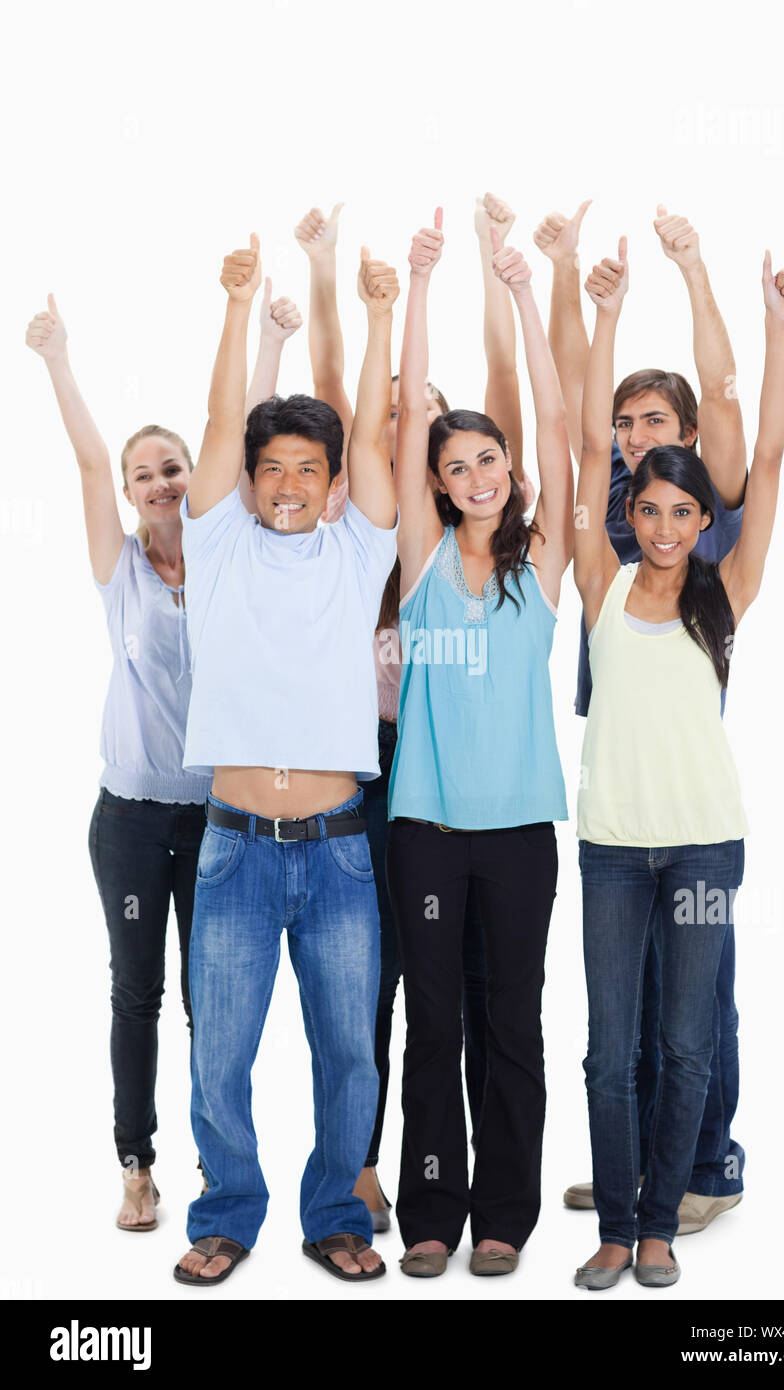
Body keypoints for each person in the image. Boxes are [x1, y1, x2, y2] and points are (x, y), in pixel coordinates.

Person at [571, 236, 784, 1289]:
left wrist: (770, 328)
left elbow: (760, 460)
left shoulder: (724, 587)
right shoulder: (601, 586)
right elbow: (586, 446)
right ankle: (617, 1225)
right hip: (614, 852)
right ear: (626, 509)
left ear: (699, 520)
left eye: (681, 510)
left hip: (705, 851)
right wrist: (606, 313)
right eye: (646, 506)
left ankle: (663, 1216)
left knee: (683, 1045)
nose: (662, 523)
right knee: (608, 1051)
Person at [24, 286, 288, 1233]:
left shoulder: (228, 557)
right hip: (133, 819)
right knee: (135, 991)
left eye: (172, 467)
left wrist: (271, 334)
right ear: (132, 494)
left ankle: (224, 1170)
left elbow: (249, 431)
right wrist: (58, 357)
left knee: (209, 1001)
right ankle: (137, 1165)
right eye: (146, 475)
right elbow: (89, 460)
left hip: (217, 820)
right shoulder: (120, 570)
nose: (160, 483)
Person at [292, 196, 529, 1229]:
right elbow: (342, 382)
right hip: (365, 764)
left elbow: (512, 406)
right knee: (375, 977)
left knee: (458, 980)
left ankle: (475, 1183)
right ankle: (362, 1161)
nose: (403, 427)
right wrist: (327, 268)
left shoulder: (460, 544)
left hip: (441, 767)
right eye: (392, 418)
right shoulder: (354, 518)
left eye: (421, 417)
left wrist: (497, 271)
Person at [173, 233, 398, 1287]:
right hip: (232, 851)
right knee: (218, 1052)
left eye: (311, 468)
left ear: (333, 479)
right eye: (275, 469)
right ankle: (225, 1211)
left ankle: (333, 1214)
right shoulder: (216, 545)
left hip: (339, 850)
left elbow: (364, 437)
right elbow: (222, 421)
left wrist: (379, 310)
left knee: (348, 1054)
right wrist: (235, 306)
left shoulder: (358, 551)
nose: (292, 484)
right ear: (251, 481)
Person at [558, 208, 751, 1233]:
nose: (636, 440)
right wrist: (565, 285)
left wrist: (689, 268)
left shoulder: (705, 530)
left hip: (690, 814)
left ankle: (705, 1166)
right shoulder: (614, 530)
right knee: (626, 1002)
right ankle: (639, 1163)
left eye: (653, 424)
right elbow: (573, 427)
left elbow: (723, 397)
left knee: (695, 1001)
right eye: (626, 425)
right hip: (619, 810)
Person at [387, 211, 572, 1279]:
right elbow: (410, 406)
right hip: (425, 832)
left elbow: (559, 423)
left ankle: (503, 1212)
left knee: (513, 1023)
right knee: (435, 1024)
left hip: (513, 839)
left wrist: (516, 292)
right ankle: (430, 1211)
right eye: (457, 465)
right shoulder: (419, 556)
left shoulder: (538, 563)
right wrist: (418, 287)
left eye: (488, 456)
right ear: (441, 482)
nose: (477, 474)